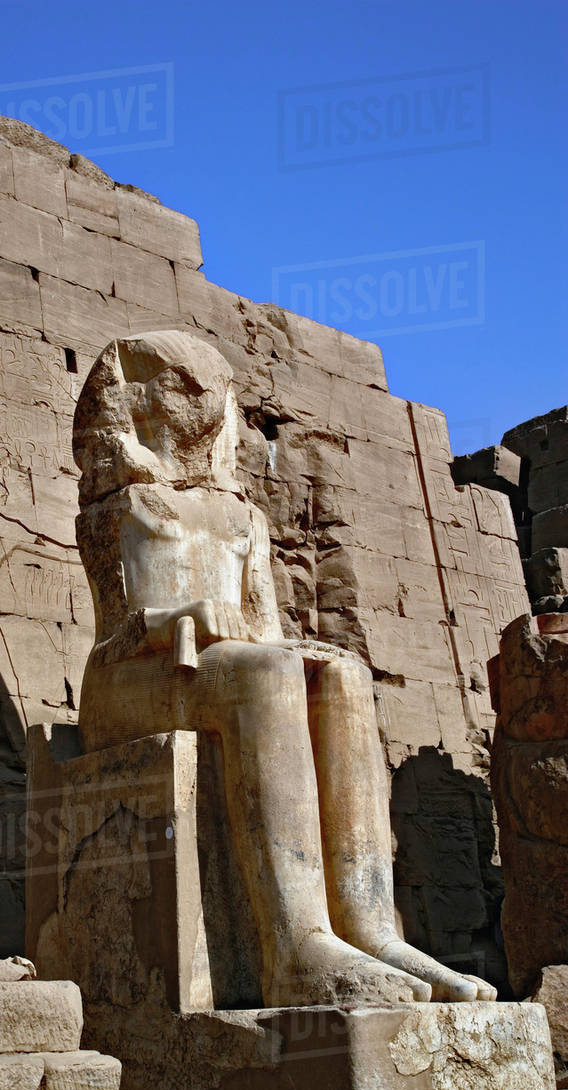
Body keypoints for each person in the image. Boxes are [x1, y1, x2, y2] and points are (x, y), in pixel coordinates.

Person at [72, 330, 496, 1007]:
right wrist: (186, 617)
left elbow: (265, 631)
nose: (203, 402)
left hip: (212, 671)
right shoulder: (122, 507)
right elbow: (123, 629)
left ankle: (369, 928)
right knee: (262, 678)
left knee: (342, 679)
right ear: (138, 402)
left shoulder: (244, 516)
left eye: (210, 388)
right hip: (131, 680)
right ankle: (294, 947)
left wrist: (291, 648)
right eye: (182, 385)